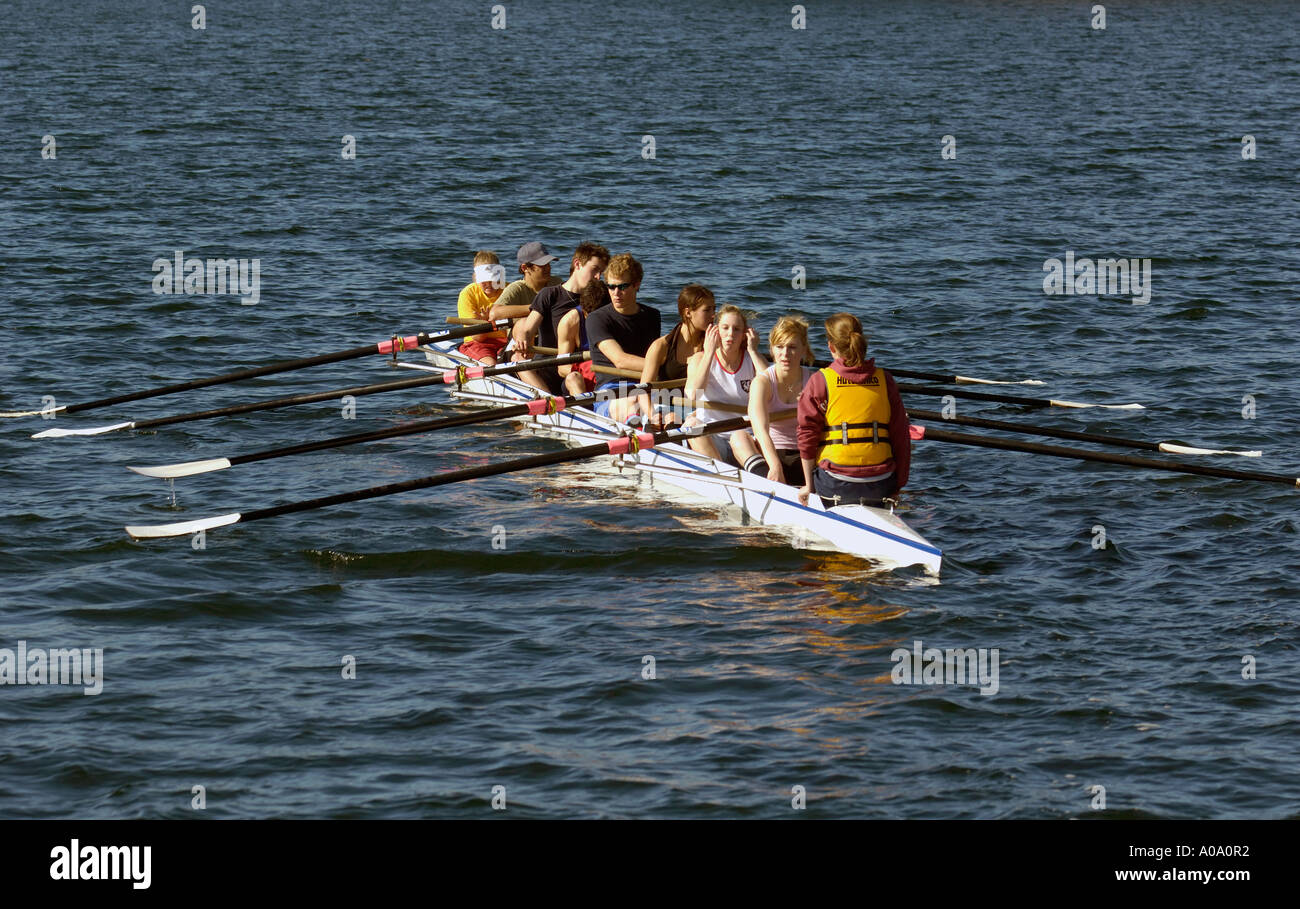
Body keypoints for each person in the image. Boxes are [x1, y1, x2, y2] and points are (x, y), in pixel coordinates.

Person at [796, 313, 910, 509]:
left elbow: (807, 436)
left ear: (831, 347)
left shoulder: (820, 381)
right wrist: (898, 486)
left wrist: (808, 485)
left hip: (834, 483)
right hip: (881, 484)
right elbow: (901, 437)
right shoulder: (886, 380)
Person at [511, 242, 609, 393]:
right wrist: (523, 340)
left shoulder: (600, 298)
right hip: (547, 368)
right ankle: (549, 400)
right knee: (517, 360)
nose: (598, 277)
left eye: (601, 272)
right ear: (577, 264)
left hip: (581, 370)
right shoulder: (550, 294)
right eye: (595, 270)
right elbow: (528, 329)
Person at [731, 316, 816, 486]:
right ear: (771, 349)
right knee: (738, 437)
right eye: (779, 347)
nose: (785, 354)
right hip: (772, 453)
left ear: (803, 350)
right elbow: (760, 430)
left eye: (792, 347)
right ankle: (769, 479)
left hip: (806, 454)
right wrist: (775, 465)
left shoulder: (814, 380)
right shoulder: (762, 382)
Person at [683, 306, 767, 463]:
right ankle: (720, 474)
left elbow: (773, 389)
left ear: (744, 335)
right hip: (713, 437)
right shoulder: (699, 359)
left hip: (746, 438)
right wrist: (709, 353)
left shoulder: (752, 359)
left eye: (736, 329)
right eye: (725, 328)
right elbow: (692, 395)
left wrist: (754, 351)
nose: (730, 334)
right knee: (691, 424)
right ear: (715, 331)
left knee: (741, 437)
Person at [585, 254, 660, 421]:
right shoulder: (596, 319)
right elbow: (620, 361)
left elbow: (656, 354)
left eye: (622, 287)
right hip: (611, 392)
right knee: (632, 401)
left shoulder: (652, 316)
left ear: (636, 284)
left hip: (646, 387)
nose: (615, 293)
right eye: (610, 287)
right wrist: (662, 368)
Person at [634, 284, 714, 424]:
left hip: (699, 411)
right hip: (664, 410)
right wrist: (652, 415)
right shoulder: (661, 347)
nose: (713, 315)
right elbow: (642, 392)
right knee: (670, 419)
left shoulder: (713, 344)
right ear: (688, 312)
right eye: (707, 310)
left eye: (714, 308)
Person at [554, 279, 611, 396]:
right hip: (582, 380)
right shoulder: (569, 322)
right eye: (591, 318)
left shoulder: (615, 315)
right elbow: (562, 368)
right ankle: (583, 409)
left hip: (608, 375)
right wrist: (587, 371)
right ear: (584, 311)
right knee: (573, 378)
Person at [489, 241, 563, 321]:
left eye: (548, 263)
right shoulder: (517, 288)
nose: (548, 268)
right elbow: (494, 313)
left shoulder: (556, 283)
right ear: (525, 268)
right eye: (542, 265)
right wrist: (537, 307)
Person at [456, 251, 507, 364]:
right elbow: (477, 337)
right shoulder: (468, 294)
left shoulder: (509, 290)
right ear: (476, 278)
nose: (489, 283)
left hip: (505, 342)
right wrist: (483, 323)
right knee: (491, 365)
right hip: (478, 343)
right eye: (484, 279)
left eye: (492, 278)